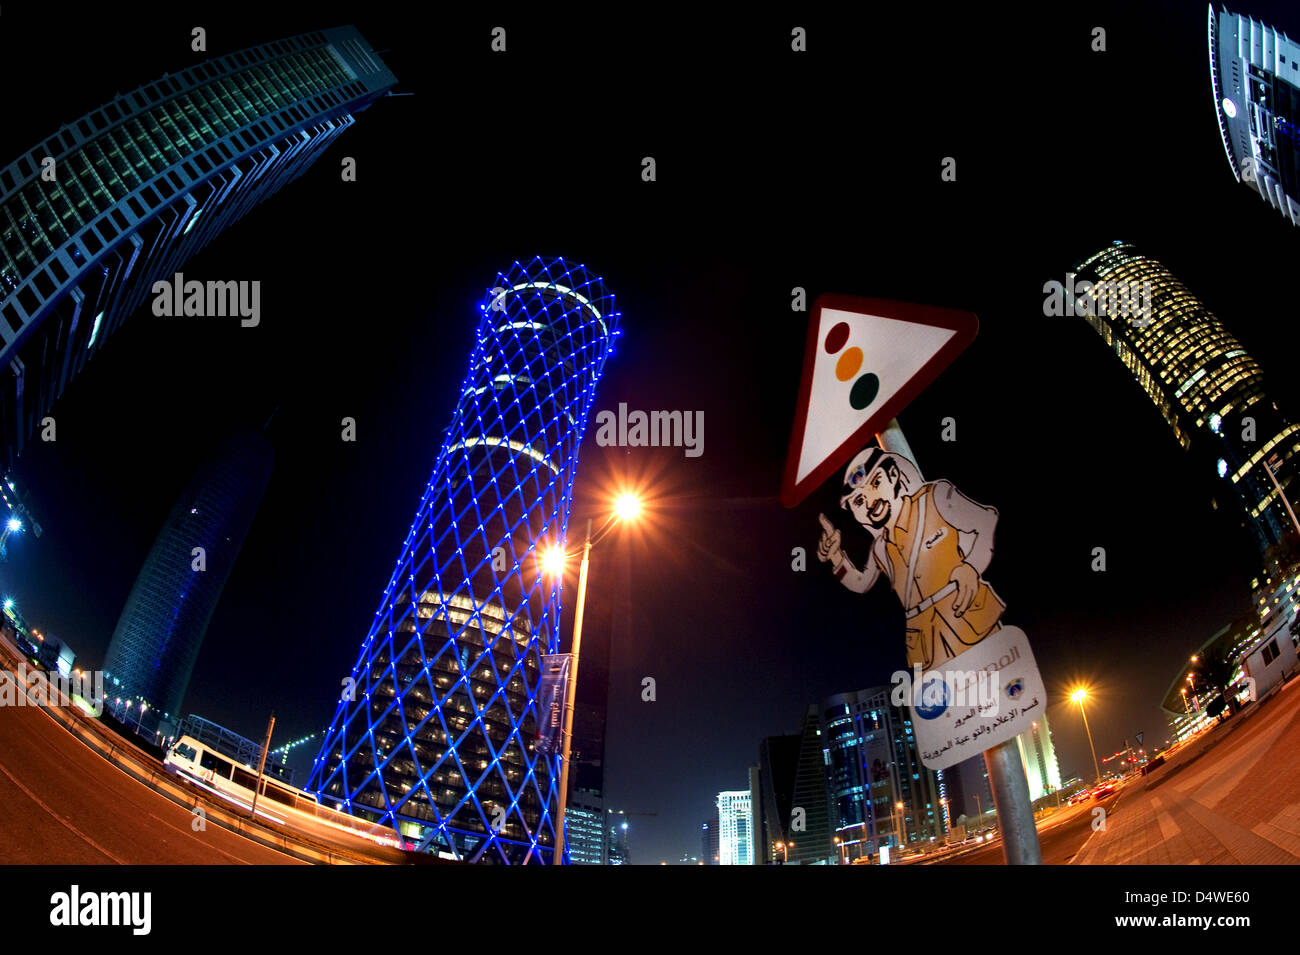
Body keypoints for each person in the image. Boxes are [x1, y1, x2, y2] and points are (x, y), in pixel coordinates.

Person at [817, 445, 1004, 670]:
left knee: (1002, 692)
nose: (870, 502)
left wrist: (971, 567)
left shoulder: (936, 498)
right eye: (858, 501)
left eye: (876, 484)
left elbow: (986, 520)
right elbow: (861, 582)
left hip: (968, 621)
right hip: (925, 646)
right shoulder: (880, 548)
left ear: (894, 475)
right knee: (953, 704)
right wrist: (837, 558)